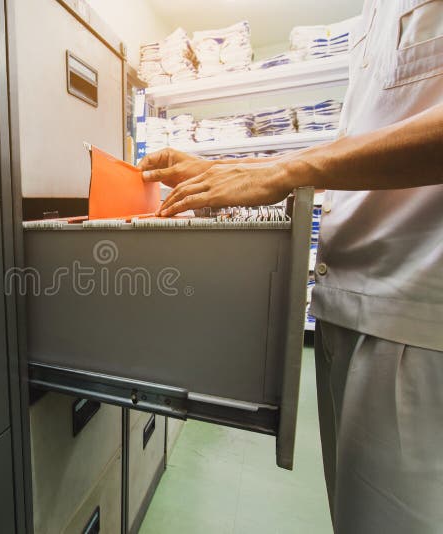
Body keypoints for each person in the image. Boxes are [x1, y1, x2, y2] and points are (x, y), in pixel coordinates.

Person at [139, 2, 443, 533]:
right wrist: (234, 170)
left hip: (415, 317)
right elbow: (373, 139)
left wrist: (283, 169)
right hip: (353, 305)